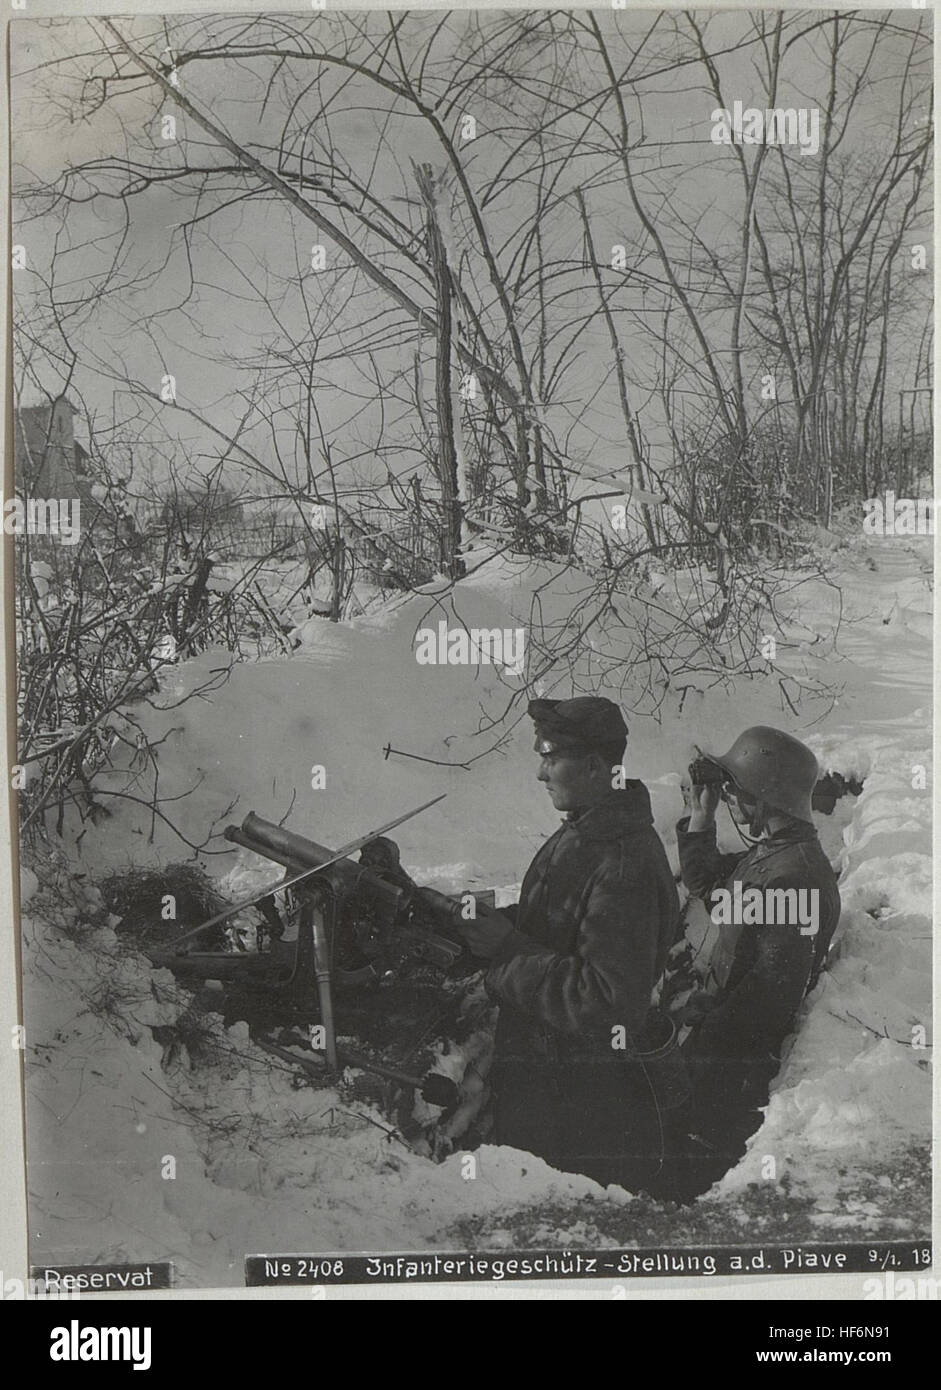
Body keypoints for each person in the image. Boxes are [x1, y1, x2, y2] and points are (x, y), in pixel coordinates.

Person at [449, 695, 683, 1193]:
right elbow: (560, 930)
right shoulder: (589, 830)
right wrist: (484, 928)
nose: (540, 774)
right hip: (550, 1091)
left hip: (580, 1119)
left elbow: (606, 1001)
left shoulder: (623, 864)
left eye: (550, 758)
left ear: (596, 766)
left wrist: (507, 949)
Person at [675, 725, 841, 1194]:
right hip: (722, 1049)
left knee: (698, 1178)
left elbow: (766, 1002)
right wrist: (701, 815)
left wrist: (700, 1040)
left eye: (736, 789)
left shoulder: (795, 877)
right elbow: (711, 890)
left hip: (736, 1072)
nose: (730, 796)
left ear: (766, 798)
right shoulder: (774, 854)